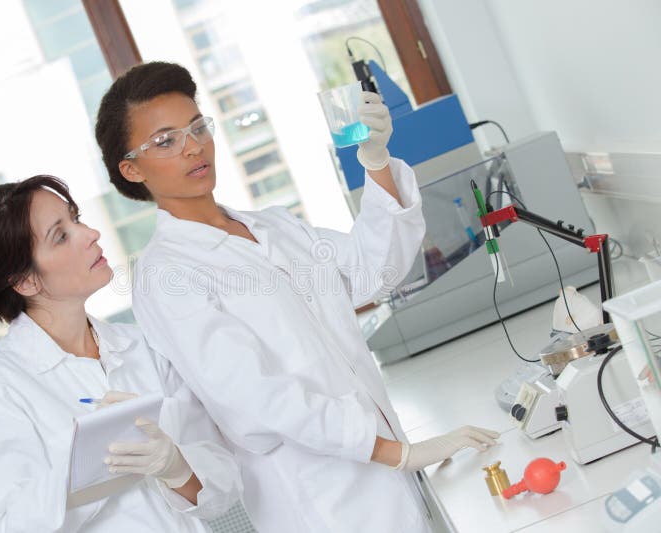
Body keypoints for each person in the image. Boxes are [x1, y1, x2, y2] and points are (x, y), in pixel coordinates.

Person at [95, 61, 499, 533]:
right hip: (324, 504)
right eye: (166, 141)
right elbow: (253, 397)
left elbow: (373, 271)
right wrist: (396, 453)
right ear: (131, 169)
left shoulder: (275, 226)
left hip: (392, 472)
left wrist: (375, 161)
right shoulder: (166, 276)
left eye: (198, 127)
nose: (193, 146)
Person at [0, 175, 242, 532]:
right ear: (25, 281)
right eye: (61, 236)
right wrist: (89, 459)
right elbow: (8, 523)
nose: (90, 234)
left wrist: (176, 467)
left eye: (76, 218)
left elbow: (224, 484)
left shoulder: (144, 346)